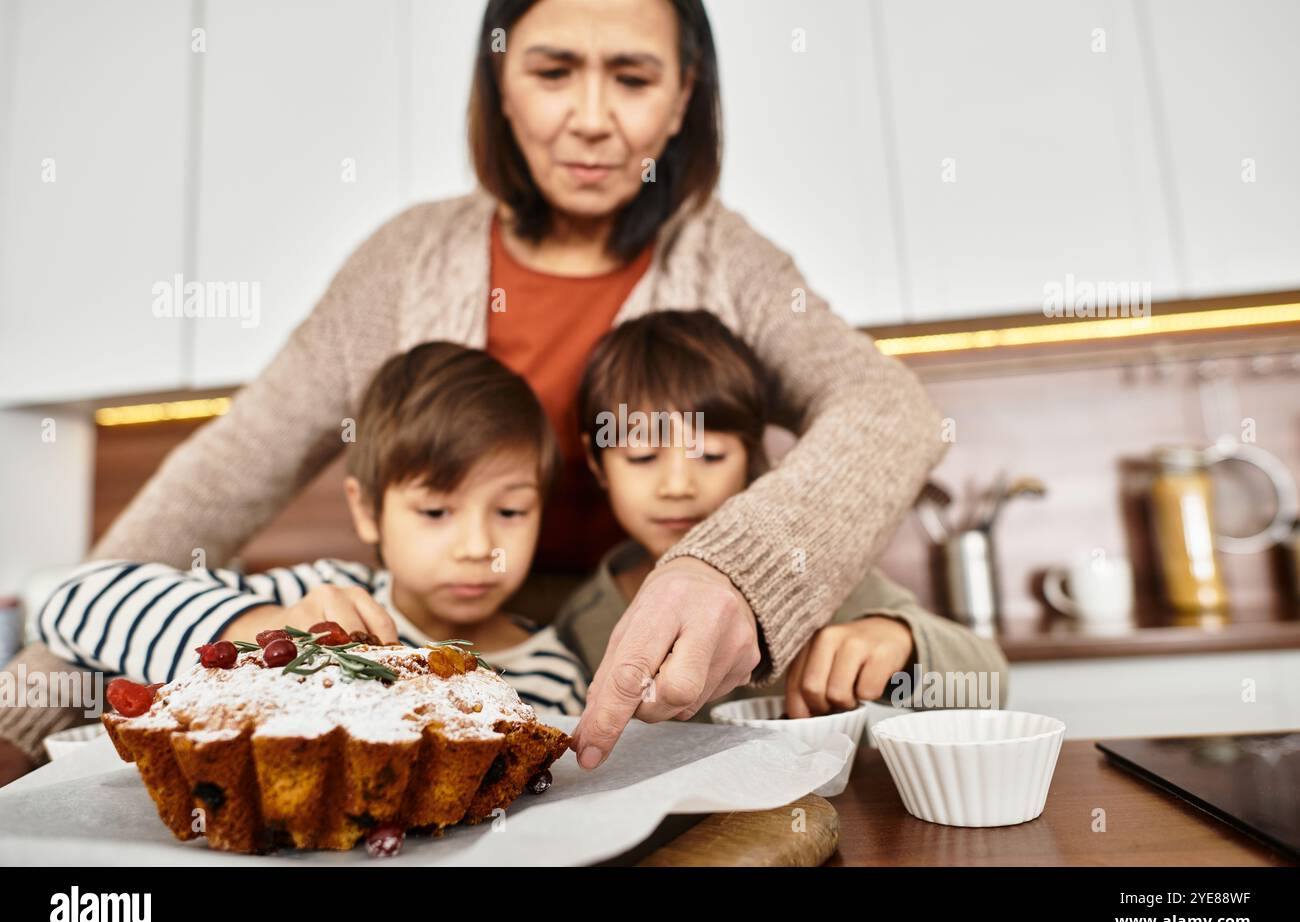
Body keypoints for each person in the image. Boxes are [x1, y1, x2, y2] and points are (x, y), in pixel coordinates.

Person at [0, 0, 945, 782]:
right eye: (551, 71)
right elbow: (224, 473)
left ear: (682, 99)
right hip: (463, 641)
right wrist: (30, 707)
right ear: (500, 83)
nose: (590, 117)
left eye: (632, 77)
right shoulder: (406, 260)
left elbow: (889, 409)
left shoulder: (728, 257)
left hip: (638, 657)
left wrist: (737, 570)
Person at [35, 343, 589, 716]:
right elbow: (73, 597)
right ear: (368, 510)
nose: (477, 548)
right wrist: (265, 628)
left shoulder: (554, 676)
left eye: (511, 512)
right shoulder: (312, 599)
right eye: (436, 512)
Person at [555, 310, 1008, 716]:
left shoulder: (814, 574)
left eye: (710, 456)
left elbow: (991, 683)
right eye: (641, 457)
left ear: (751, 457)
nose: (678, 486)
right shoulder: (583, 619)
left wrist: (901, 644)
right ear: (596, 462)